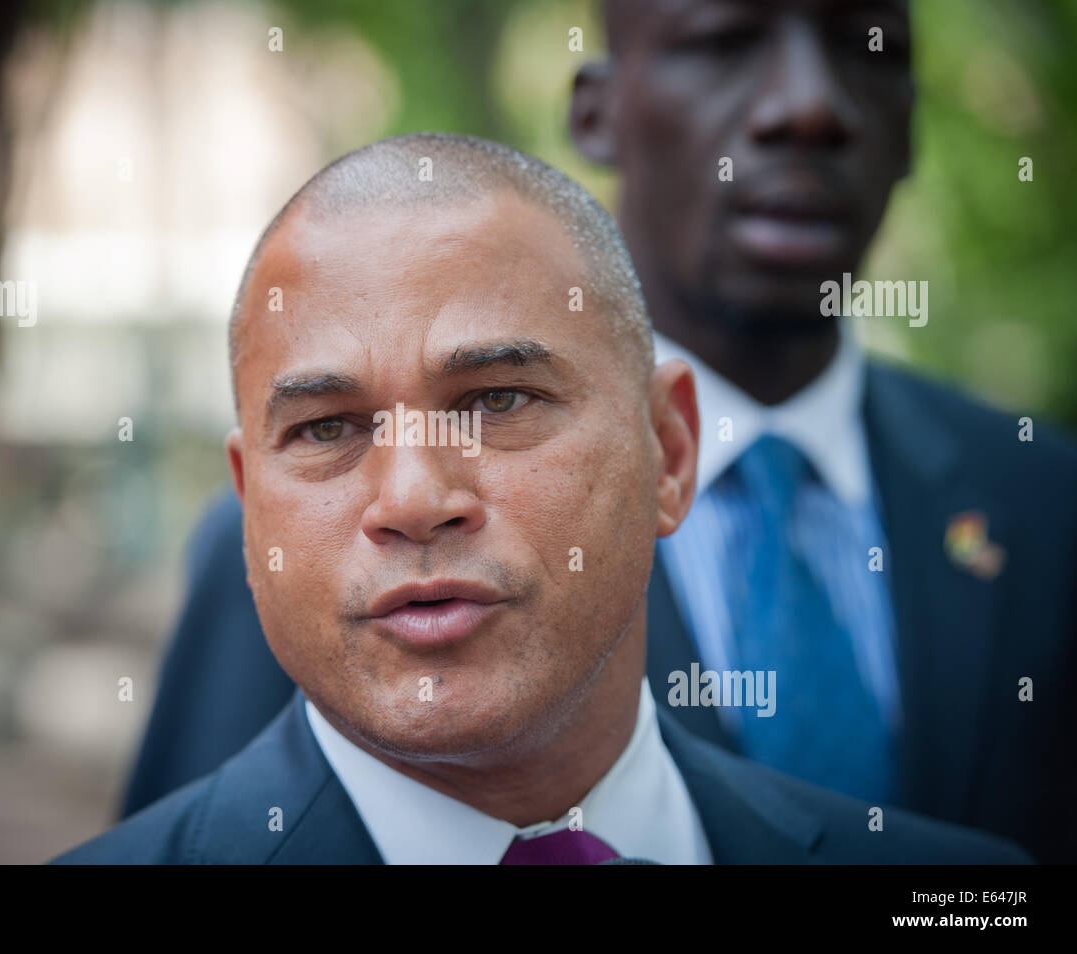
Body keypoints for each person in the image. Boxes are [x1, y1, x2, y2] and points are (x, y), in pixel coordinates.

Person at [122, 0, 1076, 862]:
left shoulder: (1044, 501)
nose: (807, 108)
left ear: (670, 450)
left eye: (498, 402)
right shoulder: (297, 559)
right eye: (727, 42)